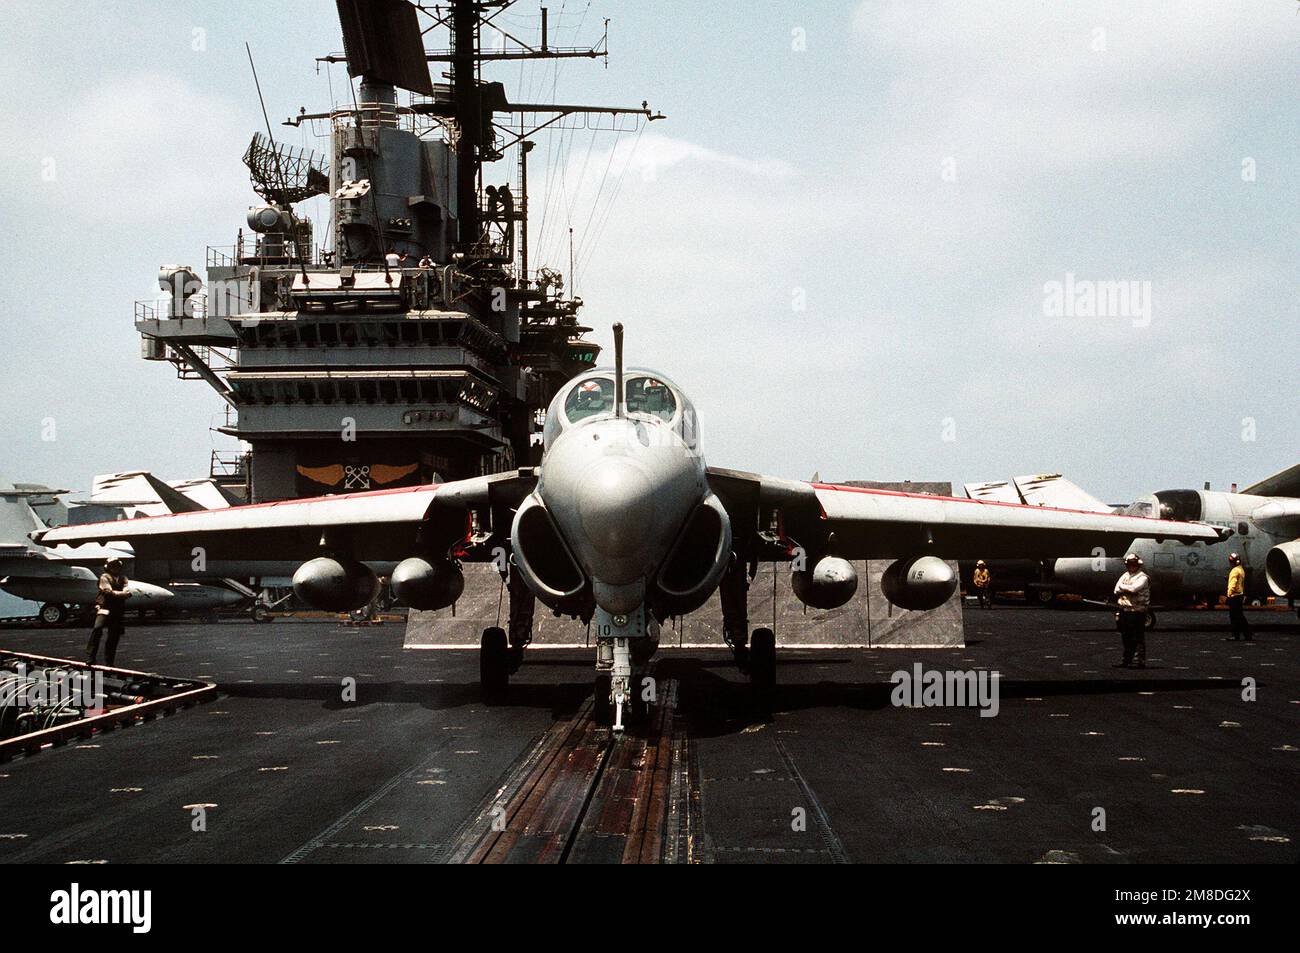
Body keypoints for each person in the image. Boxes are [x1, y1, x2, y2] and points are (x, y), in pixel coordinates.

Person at [86, 556, 131, 667]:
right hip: (105, 607)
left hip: (117, 610)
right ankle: (90, 657)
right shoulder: (104, 577)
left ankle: (109, 662)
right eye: (113, 566)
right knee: (97, 629)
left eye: (117, 566)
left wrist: (121, 593)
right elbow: (108, 591)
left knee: (114, 636)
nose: (115, 568)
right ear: (108, 567)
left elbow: (126, 589)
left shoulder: (123, 578)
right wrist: (123, 594)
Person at [1113, 553, 1150, 668]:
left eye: (1133, 564)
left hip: (1137, 611)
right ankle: (1126, 660)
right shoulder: (1125, 576)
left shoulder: (1143, 577)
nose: (1131, 566)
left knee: (1137, 636)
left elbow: (1134, 589)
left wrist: (1123, 588)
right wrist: (1126, 589)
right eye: (1129, 564)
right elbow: (1115, 590)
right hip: (1124, 610)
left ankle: (1139, 661)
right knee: (1126, 636)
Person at [1224, 553, 1253, 642]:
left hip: (1234, 596)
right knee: (1240, 616)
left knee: (1234, 617)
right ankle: (1247, 634)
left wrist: (1228, 594)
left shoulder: (1234, 571)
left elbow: (1233, 584)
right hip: (1239, 595)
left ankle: (1235, 635)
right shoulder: (1241, 569)